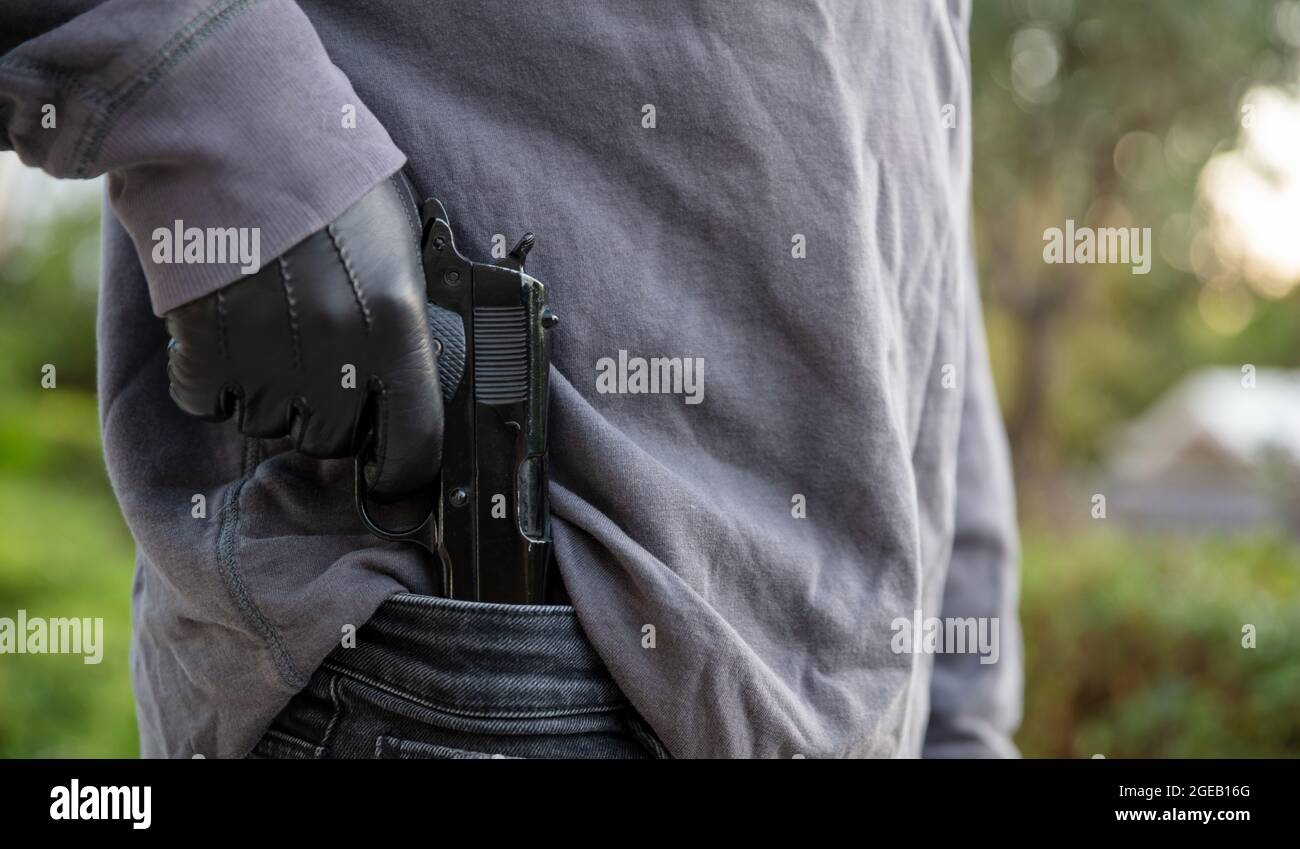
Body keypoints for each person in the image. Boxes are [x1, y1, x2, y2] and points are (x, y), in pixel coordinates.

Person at [1, 0, 1022, 758]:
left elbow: (898, 200)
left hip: (839, 691)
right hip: (495, 655)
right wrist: (201, 96)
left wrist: (958, 706)